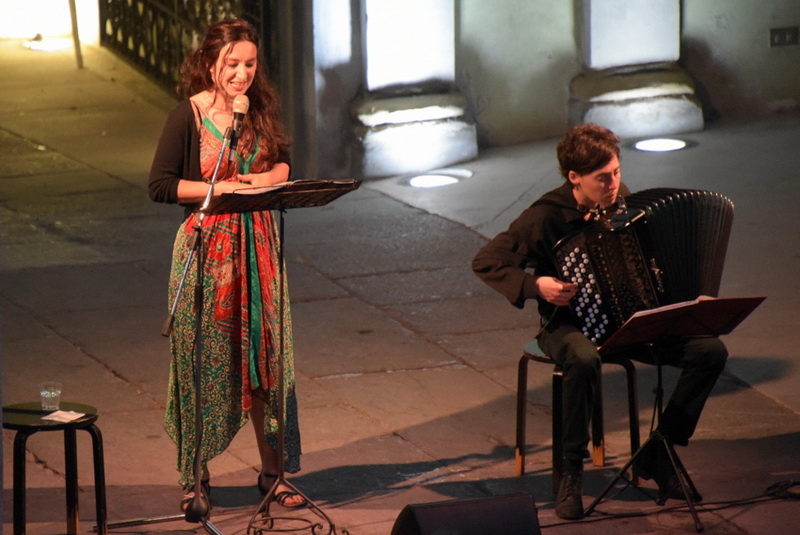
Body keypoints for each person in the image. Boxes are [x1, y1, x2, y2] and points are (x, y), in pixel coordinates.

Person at [472, 124, 728, 520]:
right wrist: (535, 285)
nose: (613, 184)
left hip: (626, 324)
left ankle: (660, 450)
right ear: (574, 177)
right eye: (601, 178)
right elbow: (486, 260)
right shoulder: (546, 217)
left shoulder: (622, 201)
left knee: (710, 351)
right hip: (565, 325)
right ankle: (571, 472)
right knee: (583, 358)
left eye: (616, 172)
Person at [149, 18, 306, 512]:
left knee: (266, 364)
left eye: (250, 64)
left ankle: (274, 474)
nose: (242, 75)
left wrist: (264, 182)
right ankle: (194, 479)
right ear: (210, 63)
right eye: (232, 64)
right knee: (204, 365)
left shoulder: (257, 108)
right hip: (208, 252)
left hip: (259, 250)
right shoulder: (188, 115)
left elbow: (282, 164)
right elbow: (162, 185)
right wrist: (225, 189)